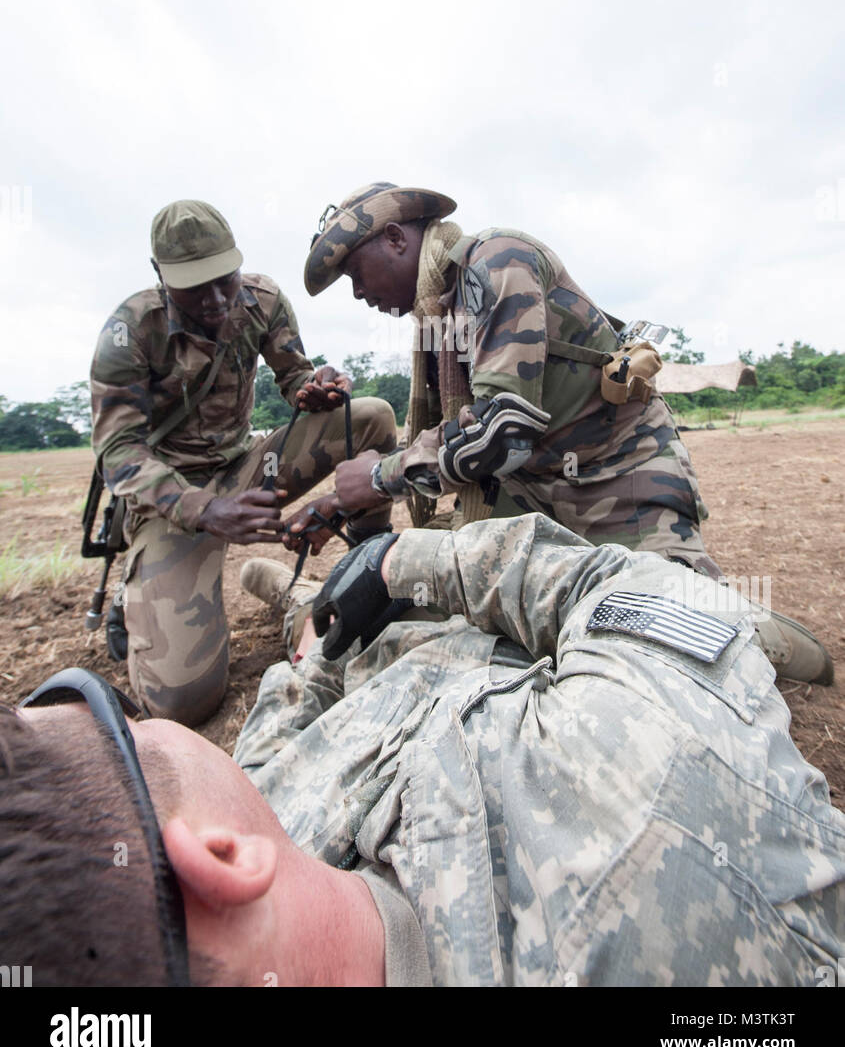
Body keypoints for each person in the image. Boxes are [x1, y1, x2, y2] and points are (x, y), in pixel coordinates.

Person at [6, 514, 845, 986]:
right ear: (215, 860)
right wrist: (407, 557)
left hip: (378, 665)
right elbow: (629, 590)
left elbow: (270, 748)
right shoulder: (635, 793)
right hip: (545, 646)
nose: (142, 724)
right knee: (695, 624)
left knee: (313, 610)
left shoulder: (277, 835)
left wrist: (312, 661)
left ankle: (288, 591)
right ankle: (760, 642)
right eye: (121, 739)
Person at [301, 181, 833, 684]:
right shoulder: (442, 309)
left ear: (395, 238)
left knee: (672, 637)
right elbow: (455, 432)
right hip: (534, 493)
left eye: (355, 273)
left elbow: (501, 432)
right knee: (444, 602)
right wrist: (343, 500)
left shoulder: (496, 261)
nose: (358, 294)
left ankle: (764, 637)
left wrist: (379, 476)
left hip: (618, 485)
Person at [89, 199, 397, 725]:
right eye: (194, 286)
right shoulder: (130, 333)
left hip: (248, 467)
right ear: (159, 277)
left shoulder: (261, 300)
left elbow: (295, 376)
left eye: (223, 280)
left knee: (370, 415)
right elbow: (118, 452)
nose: (214, 299)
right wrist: (204, 510)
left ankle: (371, 567)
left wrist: (315, 388)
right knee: (182, 703)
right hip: (174, 500)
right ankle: (133, 592)